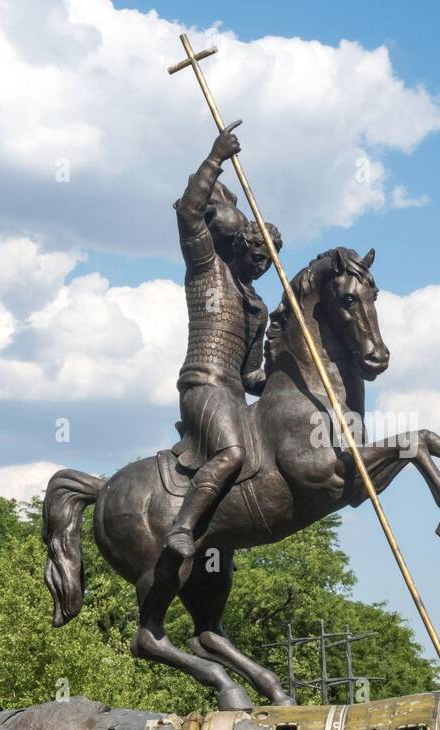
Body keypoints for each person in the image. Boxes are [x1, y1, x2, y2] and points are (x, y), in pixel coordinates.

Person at [167, 126, 282, 560]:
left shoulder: (256, 306)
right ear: (239, 248)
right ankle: (182, 526)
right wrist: (216, 155)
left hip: (234, 394)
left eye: (269, 264)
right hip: (203, 386)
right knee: (232, 453)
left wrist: (282, 371)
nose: (262, 269)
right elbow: (189, 213)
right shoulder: (206, 266)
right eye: (257, 259)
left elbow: (251, 376)